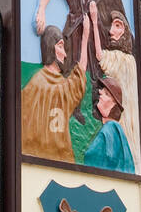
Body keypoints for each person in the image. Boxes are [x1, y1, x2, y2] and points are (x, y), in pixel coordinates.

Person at [21, 16, 91, 163]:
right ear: (50, 46)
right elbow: (80, 73)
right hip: (51, 164)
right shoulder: (42, 87)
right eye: (60, 46)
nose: (65, 55)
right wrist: (85, 37)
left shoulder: (32, 86)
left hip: (42, 164)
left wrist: (86, 37)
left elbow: (78, 76)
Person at [89, 0, 140, 157]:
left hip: (122, 118)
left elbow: (99, 55)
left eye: (117, 26)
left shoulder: (123, 60)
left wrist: (94, 19)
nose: (111, 31)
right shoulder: (130, 61)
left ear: (124, 31)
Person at [83, 75, 135, 174]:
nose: (100, 92)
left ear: (114, 105)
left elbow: (93, 159)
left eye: (106, 94)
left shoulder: (110, 129)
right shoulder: (116, 130)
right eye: (102, 90)